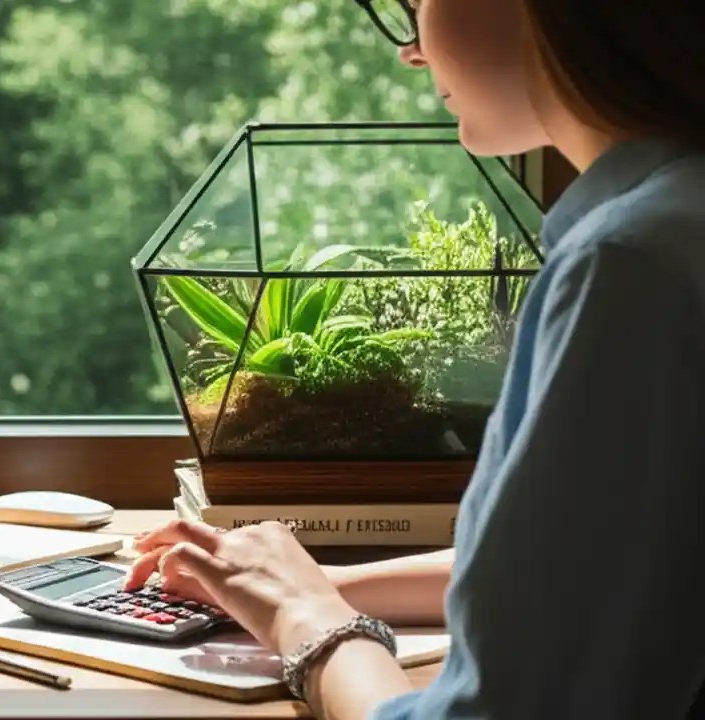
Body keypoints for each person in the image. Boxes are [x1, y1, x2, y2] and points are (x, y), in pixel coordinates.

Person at [124, 0, 705, 717]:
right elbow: (602, 565)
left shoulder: (631, 265)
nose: (412, 51)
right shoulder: (676, 222)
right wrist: (296, 584)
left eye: (415, 3)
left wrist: (314, 628)